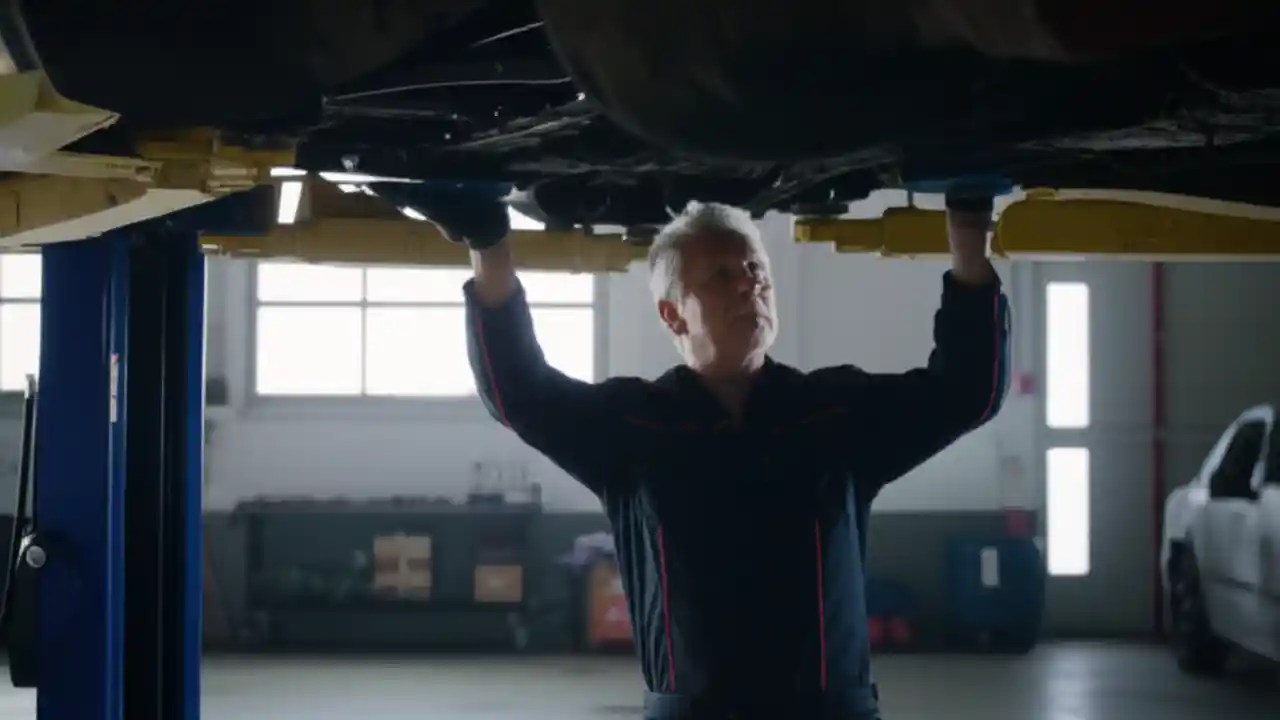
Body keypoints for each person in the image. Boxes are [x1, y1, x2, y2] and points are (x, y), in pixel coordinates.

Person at [410, 186, 1010, 720]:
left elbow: (966, 392)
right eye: (723, 275)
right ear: (672, 312)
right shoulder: (634, 427)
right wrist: (490, 246)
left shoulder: (832, 414)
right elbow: (520, 390)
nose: (750, 284)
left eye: (757, 271)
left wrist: (967, 230)